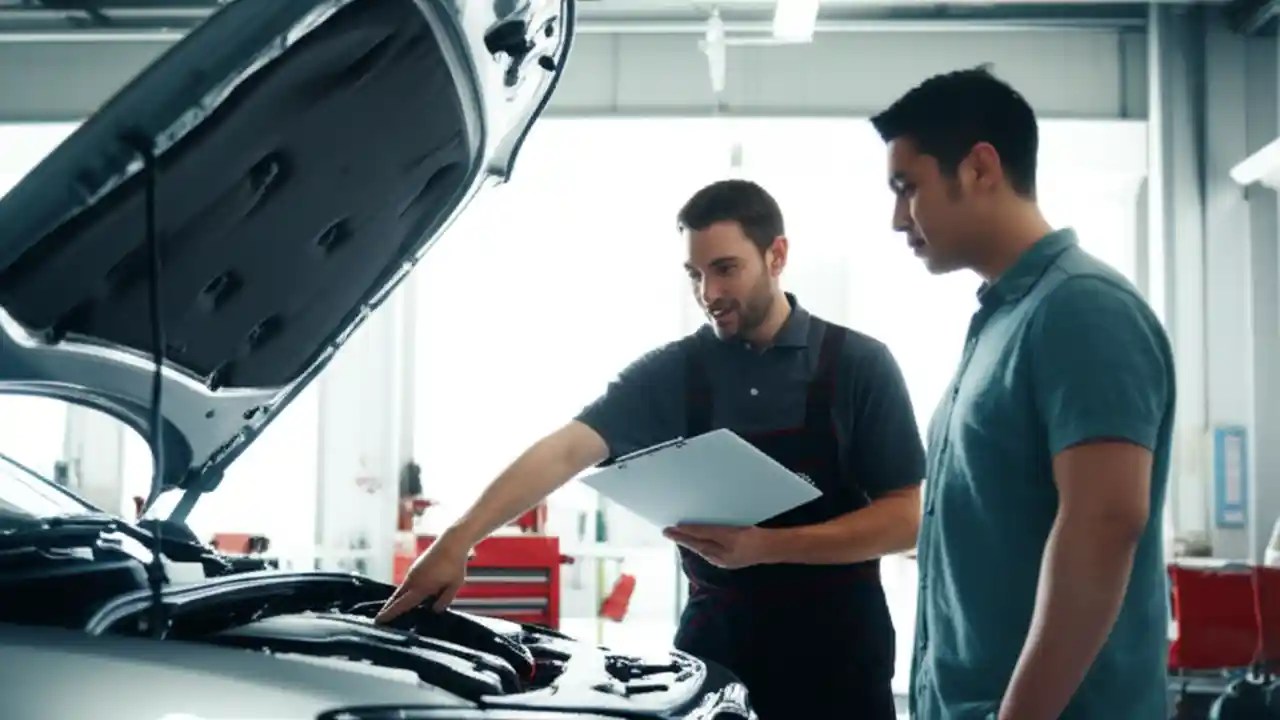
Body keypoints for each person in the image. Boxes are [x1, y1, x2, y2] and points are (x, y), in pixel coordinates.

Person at [376, 178, 926, 718]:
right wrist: (460, 538)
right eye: (695, 274)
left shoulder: (859, 365)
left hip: (838, 656)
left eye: (726, 269)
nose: (708, 294)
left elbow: (906, 520)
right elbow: (566, 450)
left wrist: (766, 547)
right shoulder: (676, 371)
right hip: (715, 654)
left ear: (776, 255)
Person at [869, 67, 1176, 720]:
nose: (899, 219)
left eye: (908, 188)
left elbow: (1107, 521)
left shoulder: (1082, 308)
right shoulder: (1005, 319)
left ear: (980, 168)